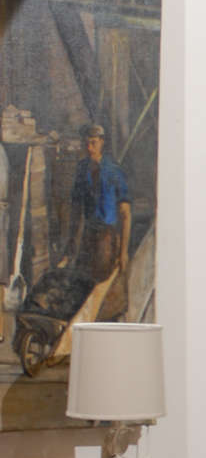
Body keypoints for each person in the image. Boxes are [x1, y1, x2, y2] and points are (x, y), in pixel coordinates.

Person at [60, 124, 131, 319]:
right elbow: (76, 209)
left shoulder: (114, 170)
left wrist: (123, 252)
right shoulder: (82, 169)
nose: (89, 148)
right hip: (88, 236)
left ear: (102, 143)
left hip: (107, 238)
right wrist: (72, 242)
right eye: (86, 144)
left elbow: (125, 213)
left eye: (93, 143)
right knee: (82, 286)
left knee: (103, 289)